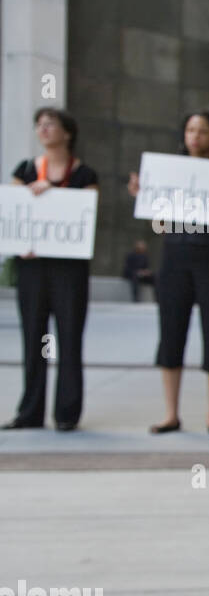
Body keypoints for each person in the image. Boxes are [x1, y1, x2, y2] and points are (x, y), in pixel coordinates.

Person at [128, 111, 209, 435]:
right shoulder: (169, 175)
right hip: (175, 259)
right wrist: (145, 199)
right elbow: (160, 225)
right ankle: (170, 413)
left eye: (202, 131)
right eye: (190, 130)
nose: (195, 136)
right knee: (170, 333)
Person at [4, 108, 98, 432]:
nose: (43, 130)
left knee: (69, 338)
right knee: (34, 338)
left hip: (69, 270)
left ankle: (67, 412)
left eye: (50, 124)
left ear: (67, 132)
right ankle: (30, 411)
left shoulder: (85, 175)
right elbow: (14, 213)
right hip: (33, 266)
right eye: (39, 125)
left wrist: (55, 193)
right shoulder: (27, 169)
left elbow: (86, 216)